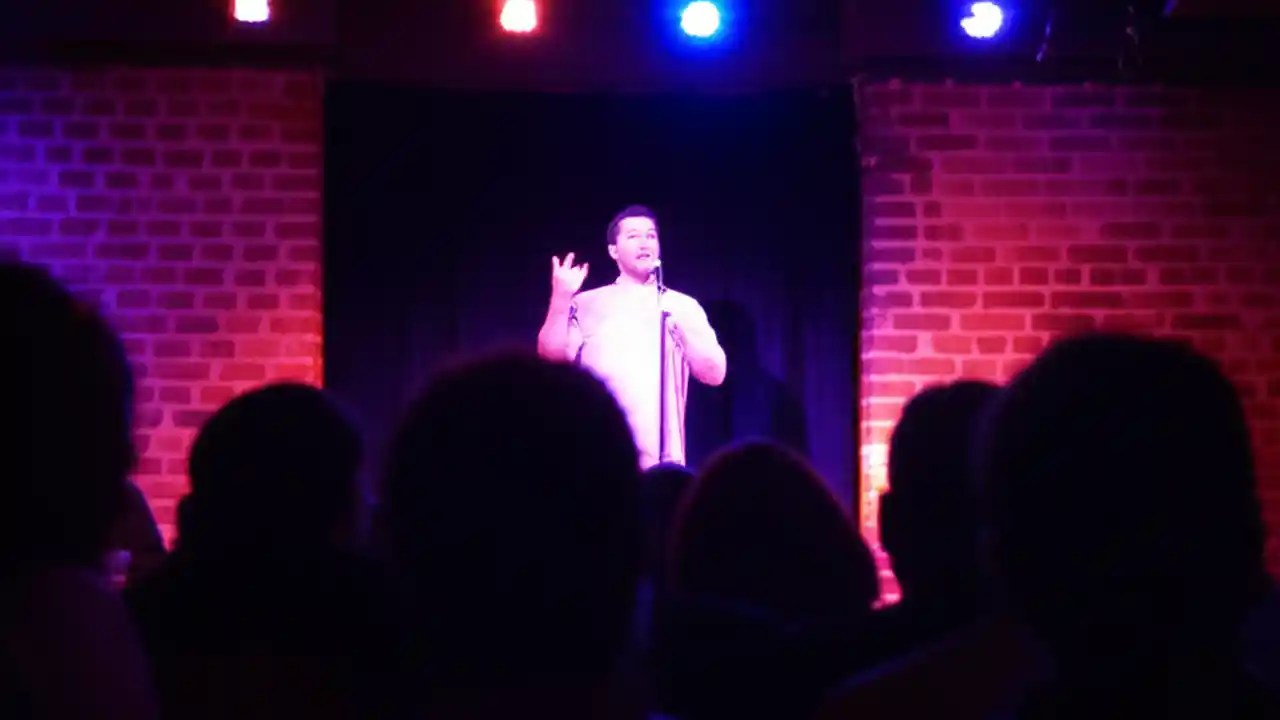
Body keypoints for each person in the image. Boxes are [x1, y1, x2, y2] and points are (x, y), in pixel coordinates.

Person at [537, 205, 726, 469]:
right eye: (633, 236)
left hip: (662, 463)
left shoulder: (681, 305)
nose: (644, 242)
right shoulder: (587, 302)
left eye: (651, 236)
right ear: (613, 250)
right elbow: (551, 358)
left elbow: (715, 374)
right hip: (600, 453)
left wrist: (682, 330)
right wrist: (560, 297)